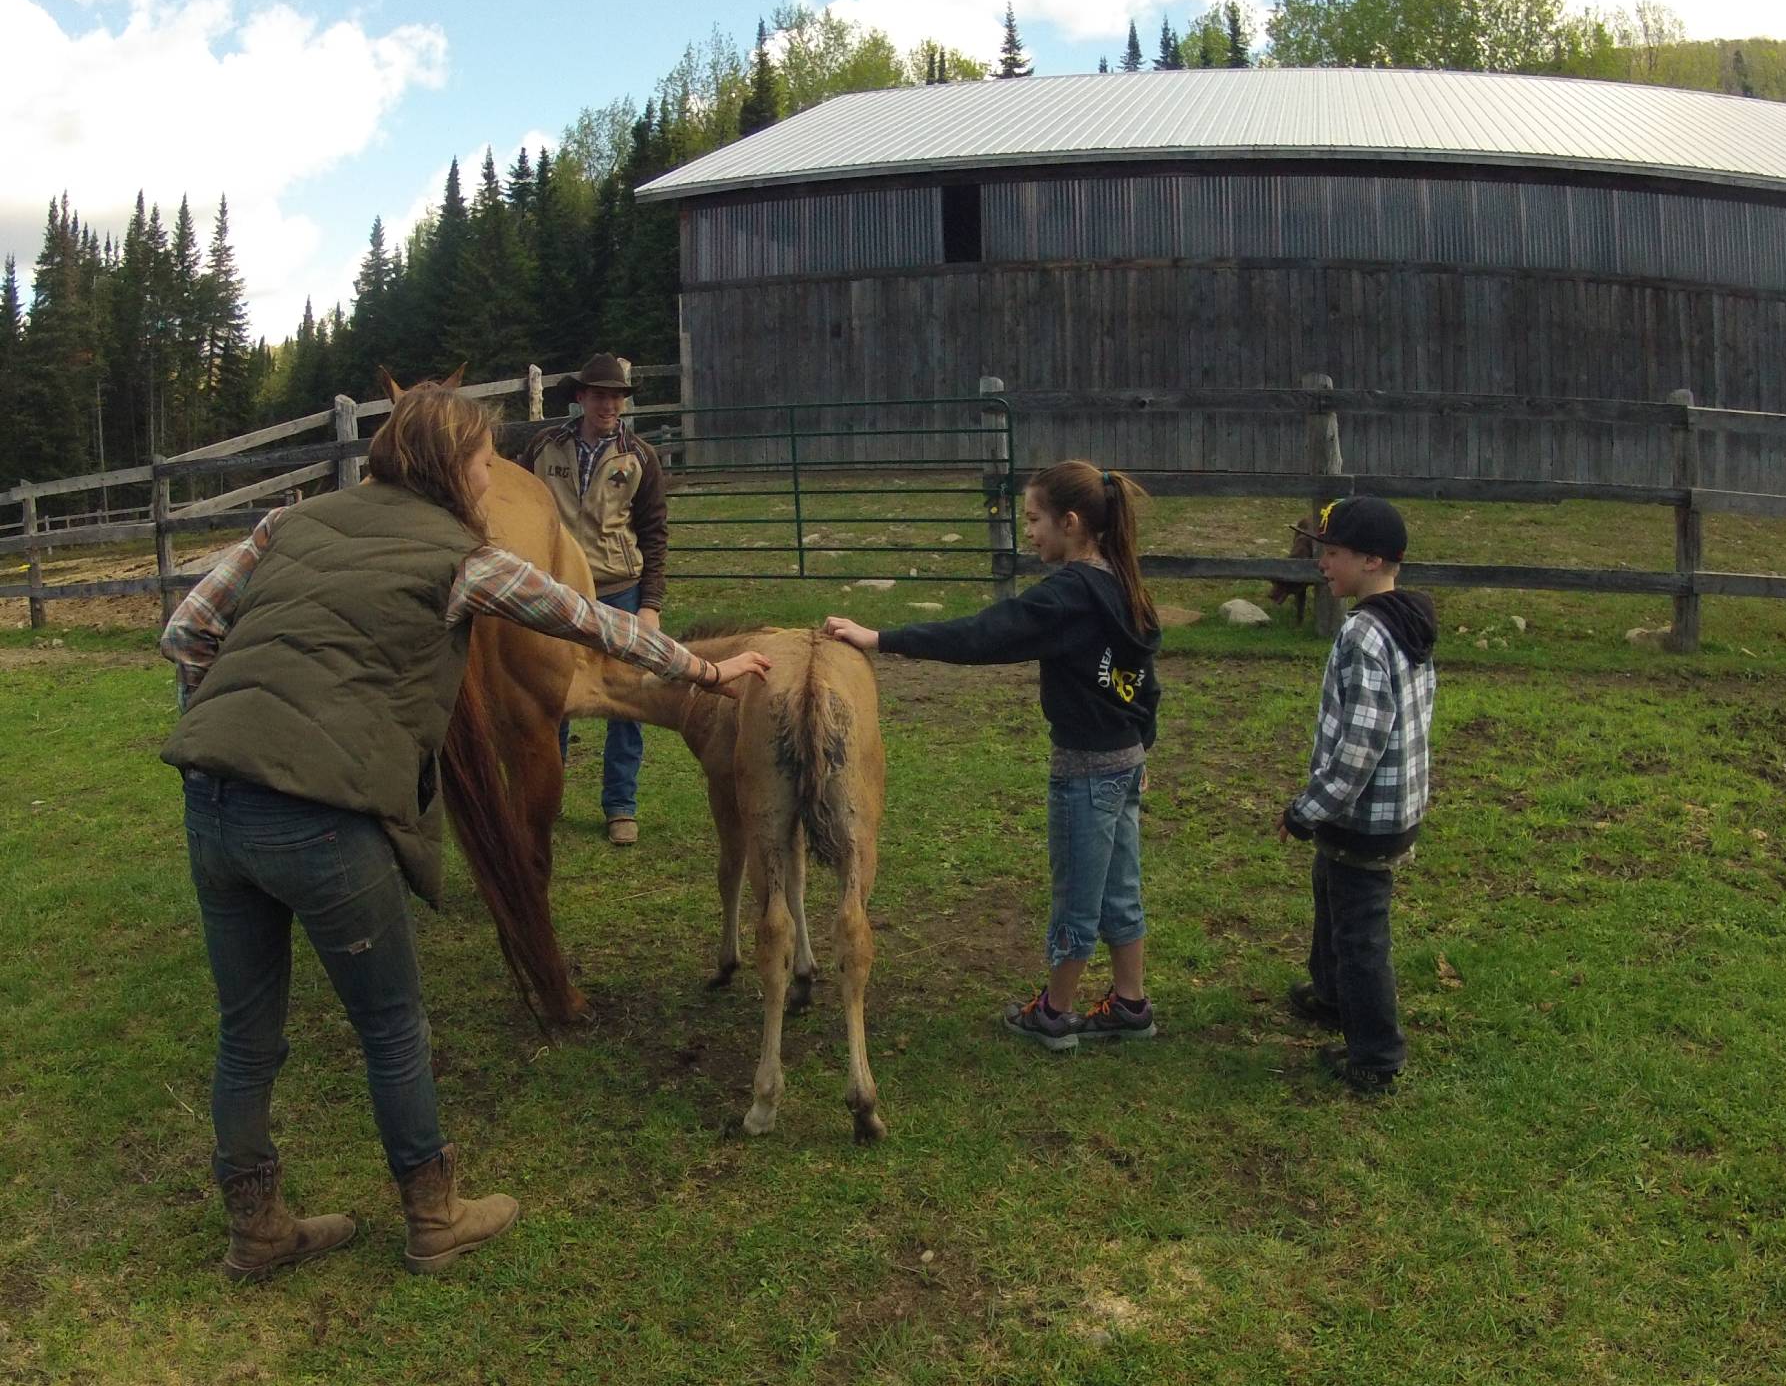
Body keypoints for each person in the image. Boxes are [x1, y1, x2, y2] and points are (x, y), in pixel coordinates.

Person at [161, 383, 770, 1281]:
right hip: (324, 816)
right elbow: (590, 621)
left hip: (212, 802)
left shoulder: (284, 526)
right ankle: (434, 1214)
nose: (495, 478)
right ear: (451, 465)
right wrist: (706, 671)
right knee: (395, 1025)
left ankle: (255, 1227)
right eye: (487, 462)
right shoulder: (467, 558)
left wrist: (251, 710)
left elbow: (185, 630)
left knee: (247, 1034)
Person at [825, 460, 1160, 1051]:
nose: (1028, 531)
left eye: (1034, 519)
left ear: (1072, 523)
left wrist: (882, 639)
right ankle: (1131, 1003)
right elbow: (1143, 680)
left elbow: (985, 634)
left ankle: (1056, 1014)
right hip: (1125, 763)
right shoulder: (1121, 581)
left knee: (1077, 898)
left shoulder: (1067, 595)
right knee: (1120, 889)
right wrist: (1142, 746)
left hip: (1085, 772)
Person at [1276, 496, 1437, 1096]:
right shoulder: (1407, 619)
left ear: (1372, 560)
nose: (1321, 564)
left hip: (1362, 814)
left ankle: (1376, 1056)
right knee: (1331, 893)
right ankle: (1330, 995)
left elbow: (1362, 743)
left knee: (1359, 932)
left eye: (1333, 553)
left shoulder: (1364, 634)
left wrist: (1308, 809)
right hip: (1395, 808)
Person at [525, 352, 668, 846]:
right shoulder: (544, 448)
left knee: (625, 699)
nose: (609, 404)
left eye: (617, 396)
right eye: (601, 394)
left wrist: (650, 605)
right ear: (581, 397)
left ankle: (620, 806)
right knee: (552, 694)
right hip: (557, 589)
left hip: (618, 590)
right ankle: (549, 793)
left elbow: (654, 535)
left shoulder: (640, 458)